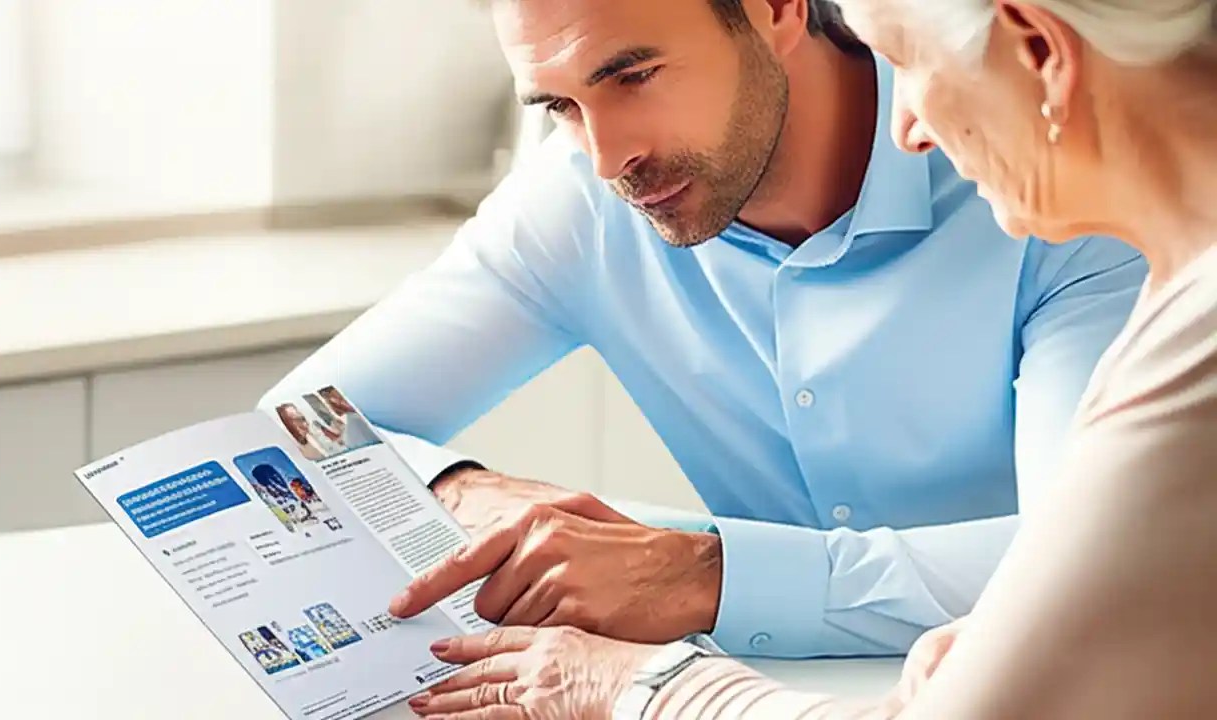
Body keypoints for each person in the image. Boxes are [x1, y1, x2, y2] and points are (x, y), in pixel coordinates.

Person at [404, 0, 1217, 717]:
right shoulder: (576, 205)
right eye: (558, 107)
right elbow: (299, 430)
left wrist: (636, 682)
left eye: (904, 60)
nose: (909, 129)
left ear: (1040, 49)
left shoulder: (1156, 302)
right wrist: (463, 489)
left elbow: (1062, 599)